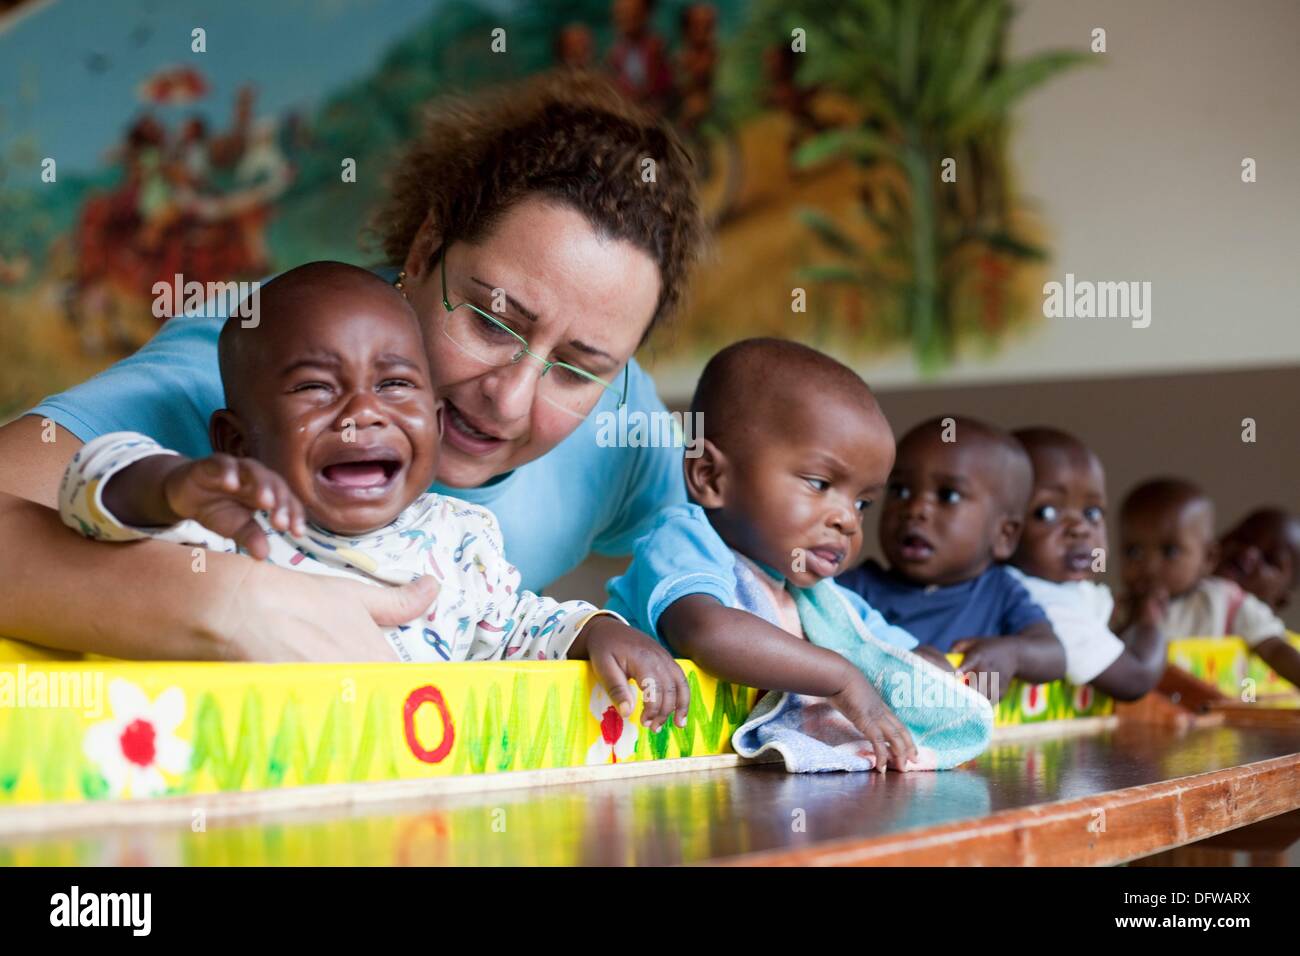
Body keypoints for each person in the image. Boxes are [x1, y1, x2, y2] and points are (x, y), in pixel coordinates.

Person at [0, 72, 706, 673]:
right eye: (492, 321)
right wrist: (225, 602)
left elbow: (757, 552)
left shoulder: (622, 418)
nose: (510, 399)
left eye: (578, 369)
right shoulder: (250, 359)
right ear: (426, 251)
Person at [57, 262, 688, 728]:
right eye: (315, 388)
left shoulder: (458, 541)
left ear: (433, 417)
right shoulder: (229, 529)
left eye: (394, 384)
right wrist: (164, 483)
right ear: (236, 441)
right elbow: (87, 498)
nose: (363, 413)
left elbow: (519, 628)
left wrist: (598, 630)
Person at [606, 339, 933, 768]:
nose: (849, 521)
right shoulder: (684, 541)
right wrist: (840, 678)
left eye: (863, 503)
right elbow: (709, 633)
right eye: (819, 483)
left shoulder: (815, 597)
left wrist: (933, 673)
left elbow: (878, 646)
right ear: (710, 476)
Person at [837, 416, 1066, 699]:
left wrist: (1013, 653)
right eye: (901, 490)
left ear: (1004, 536)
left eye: (948, 495)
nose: (916, 508)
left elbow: (1055, 656)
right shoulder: (854, 588)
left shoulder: (1001, 592)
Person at [1007, 427, 1166, 700]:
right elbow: (1135, 678)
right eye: (1047, 512)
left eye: (1092, 512)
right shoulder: (1037, 601)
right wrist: (1151, 617)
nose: (1080, 528)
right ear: (1000, 528)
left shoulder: (1064, 590)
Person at [1118, 479, 1300, 691]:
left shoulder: (1227, 601)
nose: (1149, 566)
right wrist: (1139, 622)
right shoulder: (1119, 607)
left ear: (1209, 557)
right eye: (1133, 552)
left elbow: (1274, 649)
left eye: (1170, 552)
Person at [1215, 507, 1300, 613]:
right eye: (1243, 538)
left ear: (1279, 601)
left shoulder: (1271, 630)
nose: (1249, 553)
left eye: (1269, 559)